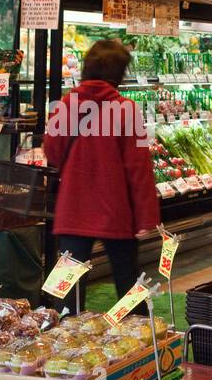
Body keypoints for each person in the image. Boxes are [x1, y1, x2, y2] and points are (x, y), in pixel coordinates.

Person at [44, 39, 160, 307]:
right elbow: (139, 168)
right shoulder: (127, 109)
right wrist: (146, 217)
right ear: (119, 73)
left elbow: (51, 151)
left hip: (73, 209)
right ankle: (138, 341)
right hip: (116, 212)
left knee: (65, 290)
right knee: (129, 285)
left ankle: (61, 340)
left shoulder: (65, 105)